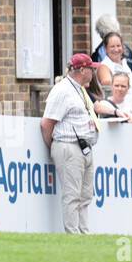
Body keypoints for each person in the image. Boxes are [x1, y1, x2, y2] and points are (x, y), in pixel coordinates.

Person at [41, 53, 101, 234]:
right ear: (82, 70)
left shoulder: (79, 89)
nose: (93, 72)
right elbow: (46, 123)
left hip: (84, 147)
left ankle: (83, 233)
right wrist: (54, 147)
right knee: (72, 195)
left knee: (85, 196)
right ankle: (73, 235)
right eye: (91, 68)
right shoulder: (62, 90)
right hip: (69, 146)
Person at [94, 32, 132, 112]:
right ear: (105, 48)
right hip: (117, 111)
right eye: (112, 46)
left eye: (118, 46)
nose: (116, 49)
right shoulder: (104, 66)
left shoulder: (126, 64)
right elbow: (107, 83)